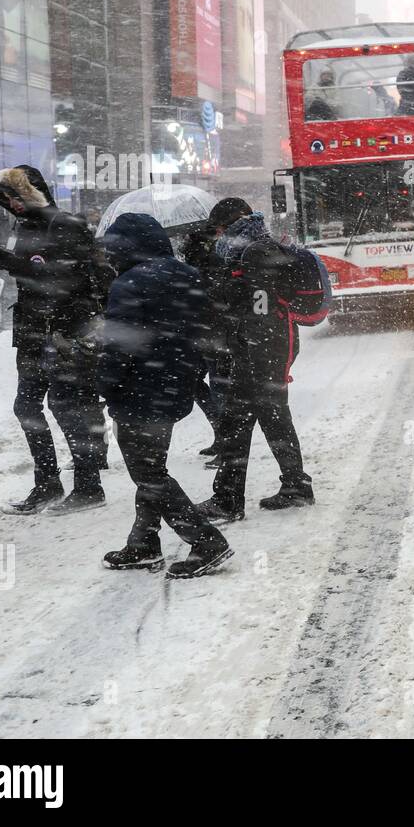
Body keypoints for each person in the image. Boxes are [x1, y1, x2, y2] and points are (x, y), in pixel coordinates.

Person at [97, 213, 233, 579]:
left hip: (137, 391)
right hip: (174, 387)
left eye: (114, 248)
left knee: (148, 473)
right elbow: (205, 330)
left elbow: (119, 346)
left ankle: (206, 542)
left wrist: (104, 384)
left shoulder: (128, 283)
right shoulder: (188, 275)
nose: (110, 255)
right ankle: (143, 543)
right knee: (152, 467)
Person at [0, 165, 110, 514]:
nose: (10, 203)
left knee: (68, 407)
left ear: (32, 189)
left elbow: (72, 280)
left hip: (66, 332)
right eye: (3, 199)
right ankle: (47, 484)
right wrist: (10, 263)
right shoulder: (21, 227)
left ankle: (88, 486)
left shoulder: (65, 224)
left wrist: (18, 266)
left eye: (13, 194)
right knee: (26, 407)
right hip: (31, 331)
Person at [199, 211, 314, 523]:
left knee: (238, 424)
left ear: (232, 223)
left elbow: (260, 305)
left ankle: (228, 500)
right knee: (273, 418)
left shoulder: (257, 254)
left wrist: (228, 296)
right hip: (264, 350)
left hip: (260, 352)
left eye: (220, 228)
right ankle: (295, 485)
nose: (219, 235)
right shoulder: (255, 250)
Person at [182, 197, 254, 459]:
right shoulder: (200, 245)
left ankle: (227, 444)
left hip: (217, 325)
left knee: (219, 384)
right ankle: (222, 435)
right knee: (204, 383)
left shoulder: (220, 247)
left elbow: (214, 284)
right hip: (207, 325)